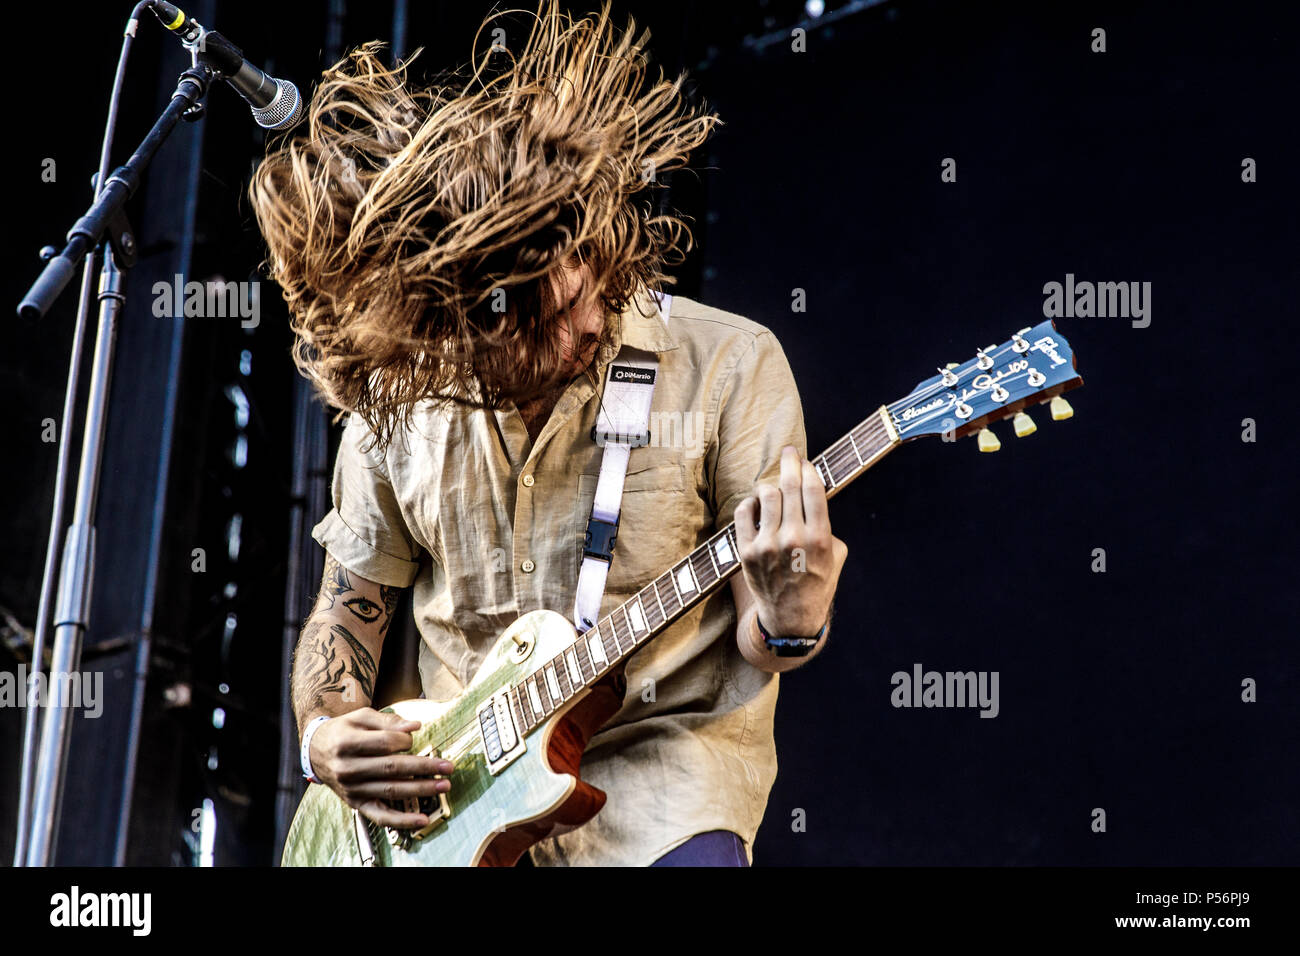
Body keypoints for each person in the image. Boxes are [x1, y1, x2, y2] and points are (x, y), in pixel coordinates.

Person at [249, 0, 847, 866]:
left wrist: (794, 614)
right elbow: (347, 617)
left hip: (662, 790)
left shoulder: (729, 364)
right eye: (530, 332)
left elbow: (766, 636)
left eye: (574, 300)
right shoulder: (400, 406)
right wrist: (325, 734)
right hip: (448, 815)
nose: (576, 332)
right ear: (452, 332)